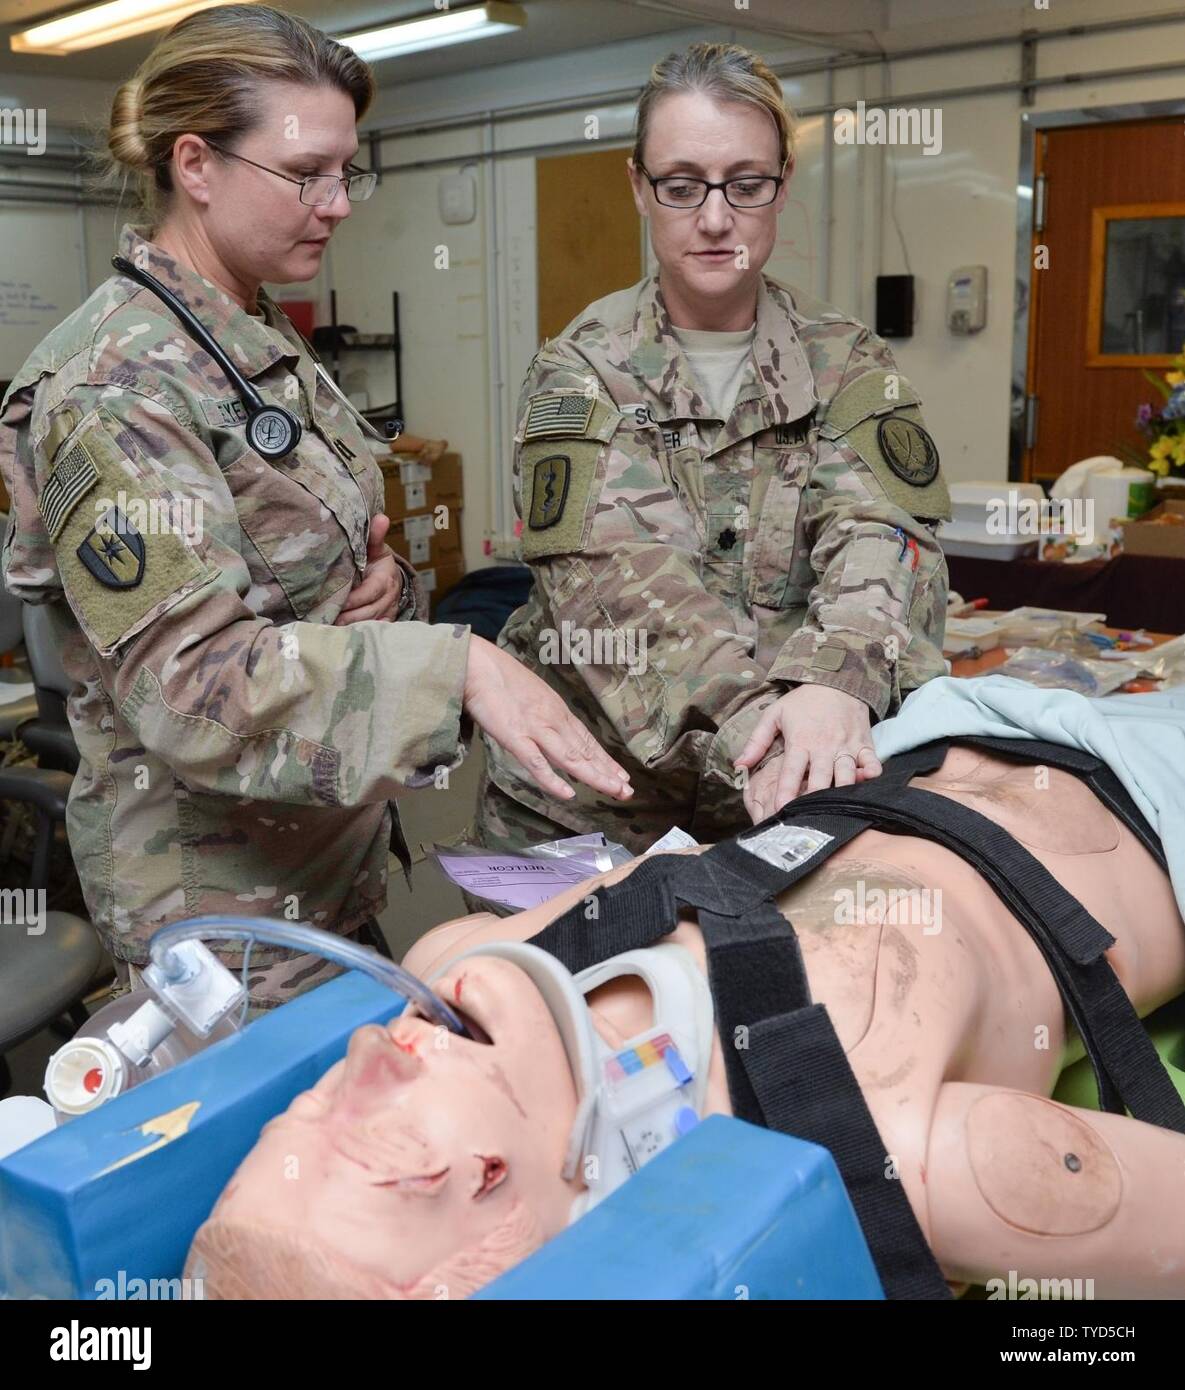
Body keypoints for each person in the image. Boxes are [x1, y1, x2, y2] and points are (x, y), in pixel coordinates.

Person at [0, 5, 630, 1011]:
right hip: (220, 913)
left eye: (349, 171)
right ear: (196, 164)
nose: (338, 204)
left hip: (318, 861)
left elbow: (307, 563)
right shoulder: (119, 387)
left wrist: (374, 588)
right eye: (305, 173)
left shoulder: (248, 337)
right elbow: (198, 685)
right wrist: (456, 663)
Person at [185, 731, 1185, 1299]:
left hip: (917, 739)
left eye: (309, 1103)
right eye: (378, 1134)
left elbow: (496, 935)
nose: (369, 1042)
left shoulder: (462, 970)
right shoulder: (883, 1151)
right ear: (491, 1187)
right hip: (1145, 795)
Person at [476, 41, 951, 858]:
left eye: (746, 183)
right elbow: (614, 585)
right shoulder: (581, 368)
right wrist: (773, 741)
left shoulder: (845, 357)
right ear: (637, 187)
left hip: (795, 790)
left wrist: (833, 684)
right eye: (681, 184)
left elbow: (884, 533)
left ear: (781, 185)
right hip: (598, 809)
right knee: (558, 987)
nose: (715, 217)